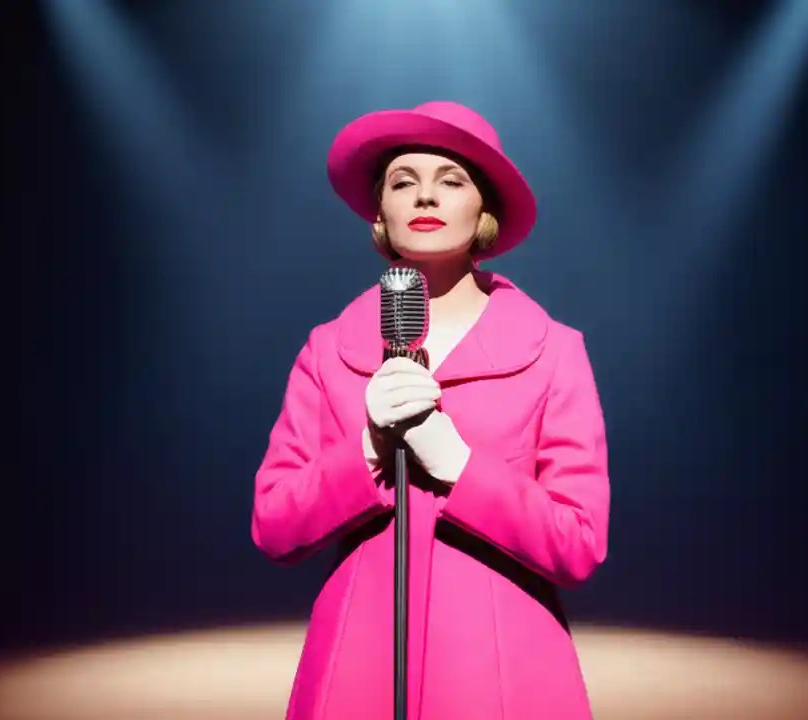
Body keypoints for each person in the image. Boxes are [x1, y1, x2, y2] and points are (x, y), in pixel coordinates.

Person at [252, 100, 610, 720]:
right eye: (402, 183)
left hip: (499, 672)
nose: (425, 197)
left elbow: (578, 544)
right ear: (380, 212)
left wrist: (462, 468)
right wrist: (368, 450)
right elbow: (275, 525)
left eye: (451, 181)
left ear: (484, 210)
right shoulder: (329, 350)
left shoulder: (553, 352)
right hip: (359, 664)